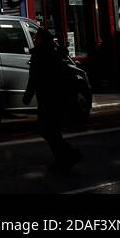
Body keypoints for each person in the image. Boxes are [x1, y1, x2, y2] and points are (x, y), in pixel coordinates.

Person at [23, 29, 82, 171]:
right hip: (56, 97)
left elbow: (34, 77)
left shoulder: (40, 54)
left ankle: (68, 156)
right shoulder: (53, 53)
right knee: (51, 130)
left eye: (36, 37)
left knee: (48, 130)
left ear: (41, 39)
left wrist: (28, 95)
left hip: (48, 98)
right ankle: (65, 158)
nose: (34, 40)